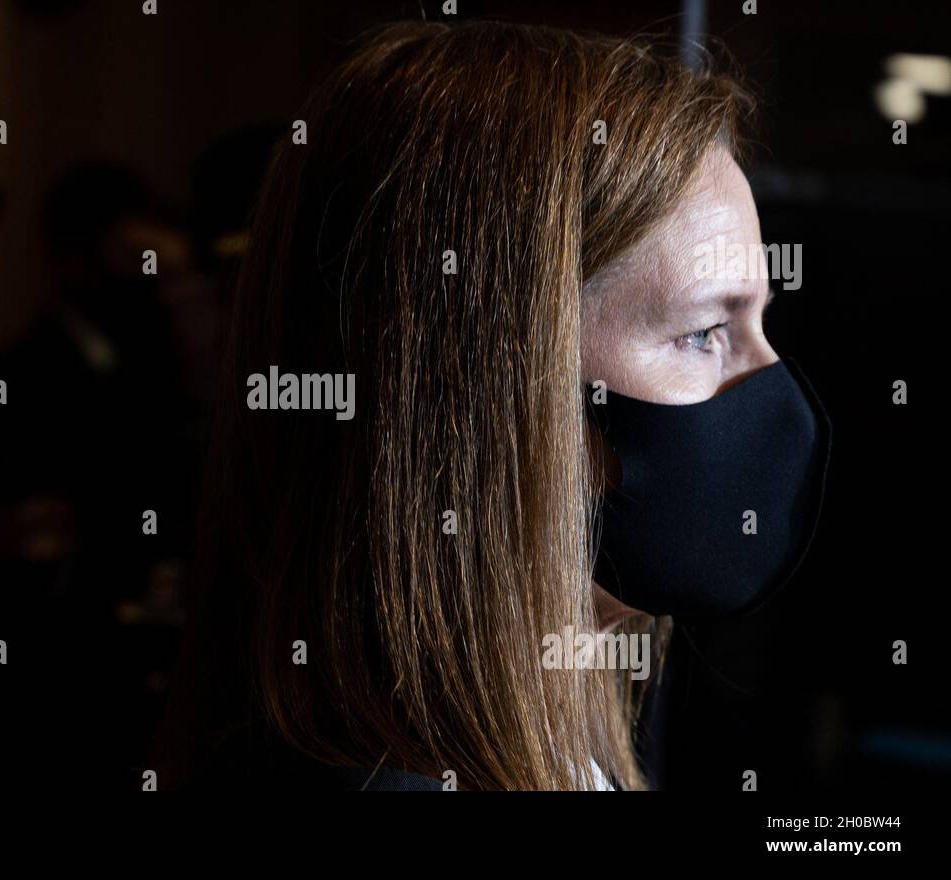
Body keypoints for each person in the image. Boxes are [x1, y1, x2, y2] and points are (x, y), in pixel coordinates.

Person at [155, 20, 829, 791]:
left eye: (759, 322)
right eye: (706, 330)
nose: (776, 388)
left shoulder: (545, 741)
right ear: (488, 380)